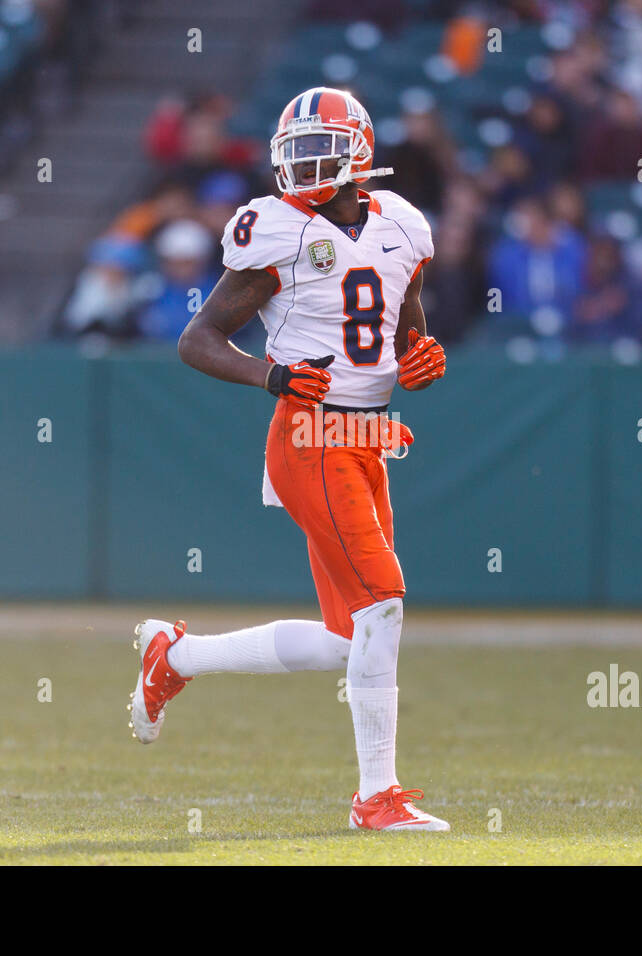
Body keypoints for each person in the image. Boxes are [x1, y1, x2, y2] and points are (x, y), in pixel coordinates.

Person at [138, 87, 451, 832]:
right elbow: (197, 338)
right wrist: (270, 375)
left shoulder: (403, 224)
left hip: (368, 436)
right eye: (295, 150)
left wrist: (421, 355)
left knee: (352, 636)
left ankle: (173, 660)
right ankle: (377, 798)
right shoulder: (274, 230)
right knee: (384, 599)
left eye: (320, 148)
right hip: (309, 435)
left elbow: (404, 323)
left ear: (360, 154)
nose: (305, 164)